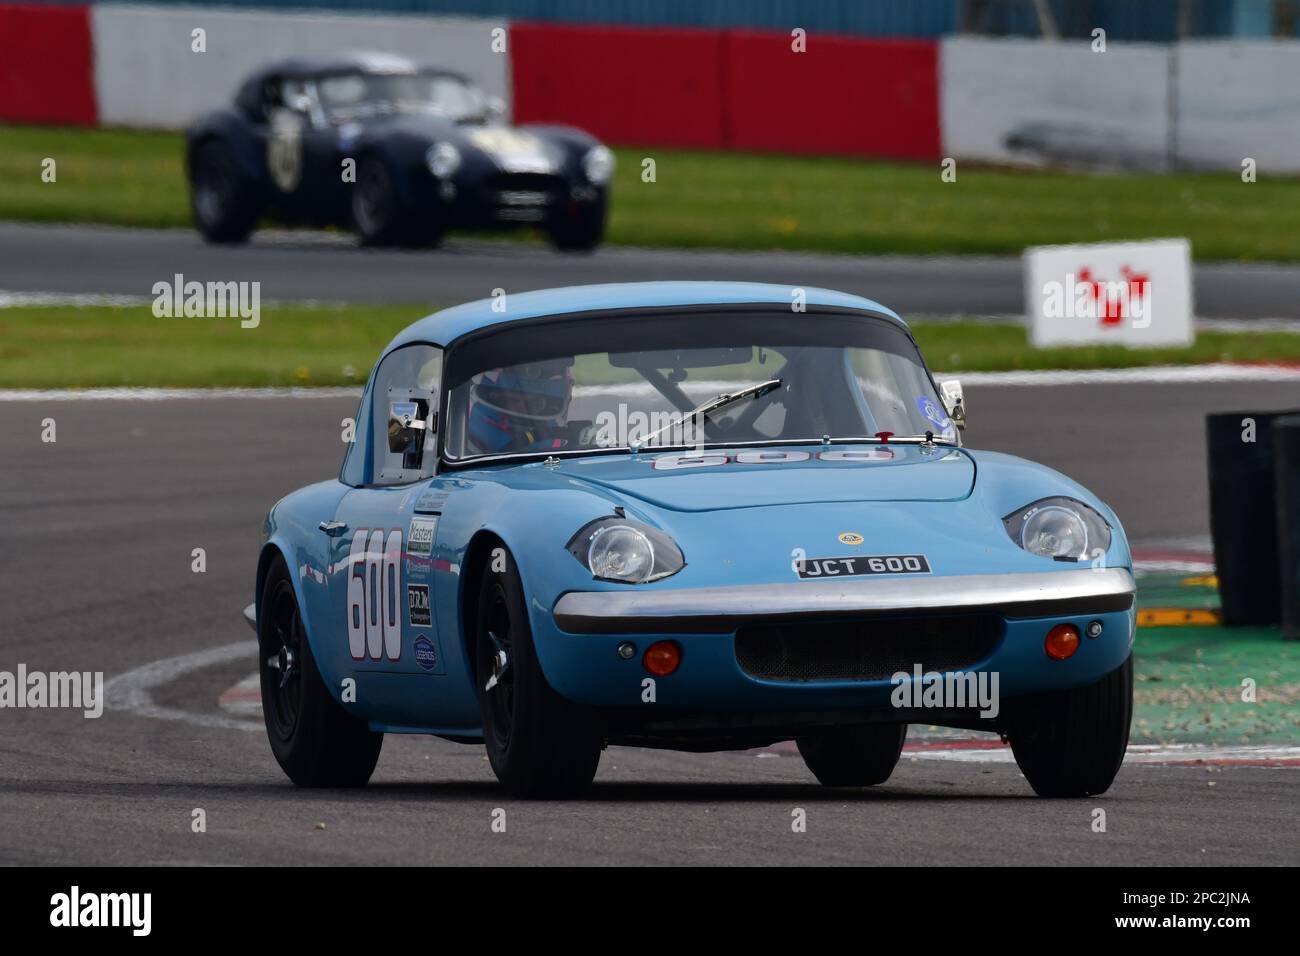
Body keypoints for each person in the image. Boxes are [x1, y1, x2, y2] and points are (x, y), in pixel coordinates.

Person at [466, 357, 574, 454]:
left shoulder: (564, 437)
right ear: (495, 396)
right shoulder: (467, 429)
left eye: (536, 404)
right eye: (511, 400)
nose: (522, 408)